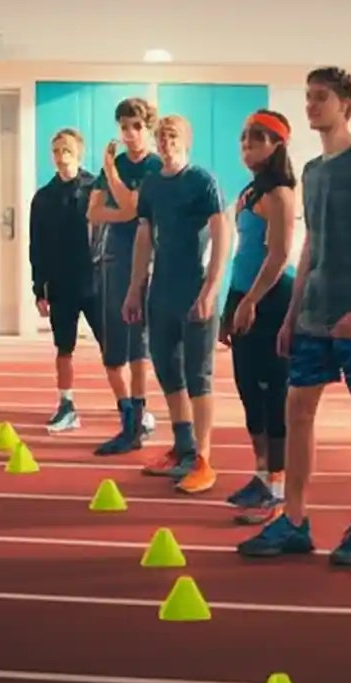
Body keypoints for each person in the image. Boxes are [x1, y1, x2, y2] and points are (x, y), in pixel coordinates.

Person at [236, 66, 351, 565]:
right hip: (312, 315)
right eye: (308, 97)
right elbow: (310, 246)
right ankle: (294, 519)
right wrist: (289, 314)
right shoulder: (311, 170)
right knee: (297, 408)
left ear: (346, 105)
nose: (312, 105)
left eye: (321, 97)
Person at [124, 115, 229, 493]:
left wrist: (211, 289)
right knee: (167, 369)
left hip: (194, 289)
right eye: (161, 136)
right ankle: (183, 446)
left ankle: (203, 458)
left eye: (173, 136)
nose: (166, 142)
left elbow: (221, 235)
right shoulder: (151, 185)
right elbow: (143, 237)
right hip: (161, 291)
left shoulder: (203, 181)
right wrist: (135, 287)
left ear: (186, 141)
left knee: (198, 375)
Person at [221, 109, 297, 524]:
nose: (247, 144)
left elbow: (280, 254)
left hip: (272, 301)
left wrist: (251, 301)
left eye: (257, 138)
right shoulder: (248, 193)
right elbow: (243, 254)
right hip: (243, 296)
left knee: (273, 395)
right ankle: (261, 473)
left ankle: (278, 488)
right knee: (248, 389)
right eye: (245, 137)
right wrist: (231, 305)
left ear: (277, 145)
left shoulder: (281, 194)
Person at [87, 97, 162, 456]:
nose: (130, 134)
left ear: (148, 128)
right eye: (124, 127)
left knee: (137, 349)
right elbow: (96, 211)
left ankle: (136, 420)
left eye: (137, 127)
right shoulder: (115, 164)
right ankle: (129, 417)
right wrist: (126, 212)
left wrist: (113, 179)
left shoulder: (154, 166)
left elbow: (133, 206)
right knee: (112, 351)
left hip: (143, 263)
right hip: (113, 259)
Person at [28, 128, 102, 433]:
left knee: (112, 348)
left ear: (79, 153)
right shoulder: (43, 198)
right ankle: (66, 405)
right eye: (57, 151)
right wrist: (39, 288)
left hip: (95, 282)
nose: (61, 157)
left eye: (67, 150)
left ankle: (133, 409)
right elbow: (37, 246)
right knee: (64, 347)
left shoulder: (96, 189)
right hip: (60, 284)